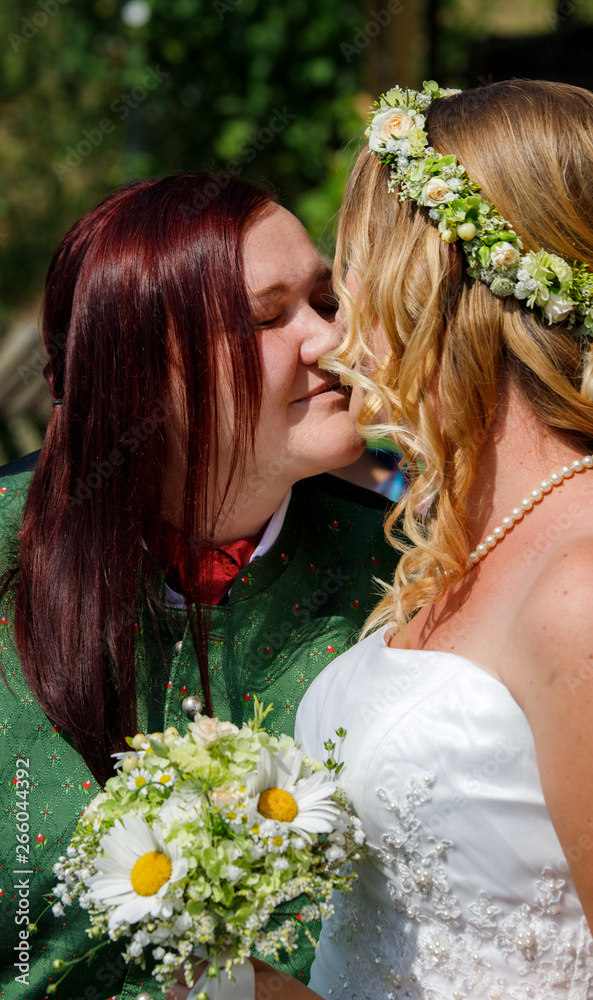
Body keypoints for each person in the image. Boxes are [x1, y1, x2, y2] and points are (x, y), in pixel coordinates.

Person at [0, 173, 399, 1000]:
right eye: (267, 317)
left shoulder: (408, 567)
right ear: (138, 374)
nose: (330, 339)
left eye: (325, 301)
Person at [291, 79, 593, 998]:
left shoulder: (580, 584)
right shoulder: (466, 539)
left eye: (352, 268)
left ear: (431, 282)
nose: (335, 322)